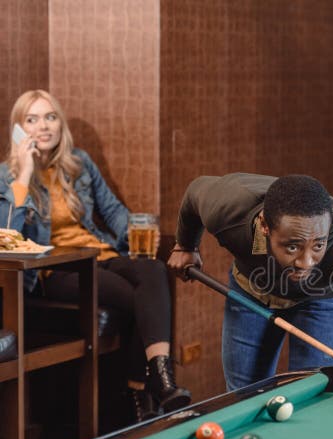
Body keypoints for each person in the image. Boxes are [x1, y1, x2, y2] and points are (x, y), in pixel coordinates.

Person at [0, 90, 191, 421]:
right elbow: (9, 236)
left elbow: (113, 211)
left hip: (99, 254)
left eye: (50, 117)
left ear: (60, 124)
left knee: (154, 271)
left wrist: (138, 233)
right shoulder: (8, 176)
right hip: (57, 271)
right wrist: (25, 173)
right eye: (32, 120)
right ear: (19, 129)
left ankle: (160, 382)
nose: (43, 126)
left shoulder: (79, 163)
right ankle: (144, 393)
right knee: (140, 298)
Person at [166, 173, 333, 407]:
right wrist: (185, 246)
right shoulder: (229, 206)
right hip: (250, 294)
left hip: (321, 300)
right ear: (264, 227)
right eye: (292, 246)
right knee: (244, 398)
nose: (306, 262)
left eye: (318, 246)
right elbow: (194, 193)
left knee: (317, 395)